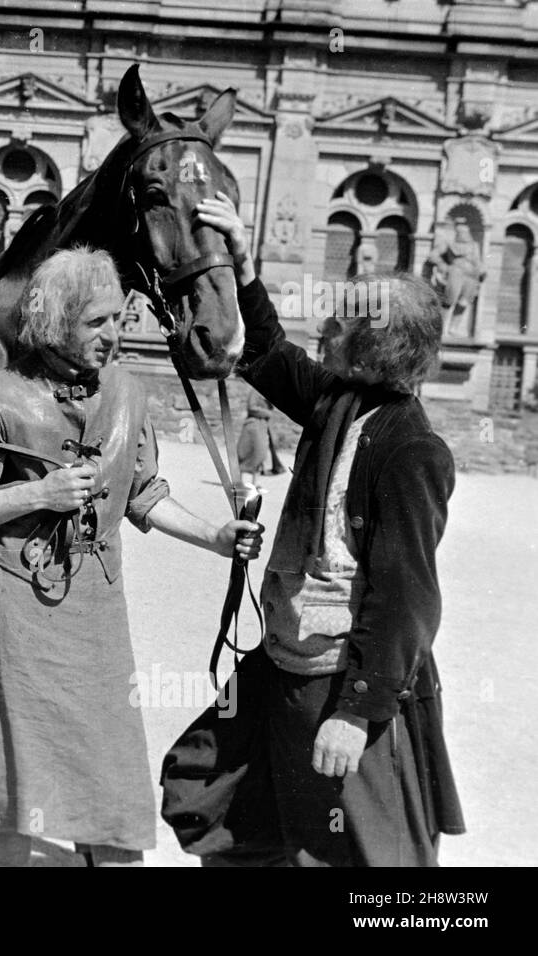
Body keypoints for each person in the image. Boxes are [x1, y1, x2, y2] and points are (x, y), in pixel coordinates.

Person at [0, 246, 262, 867]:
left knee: (108, 781)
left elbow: (144, 494)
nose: (113, 334)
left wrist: (215, 537)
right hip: (9, 615)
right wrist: (36, 493)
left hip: (95, 613)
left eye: (118, 317)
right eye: (96, 322)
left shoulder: (127, 395)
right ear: (56, 323)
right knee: (12, 783)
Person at [196, 192, 465, 866]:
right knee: (223, 807)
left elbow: (407, 597)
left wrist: (357, 710)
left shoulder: (411, 449)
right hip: (290, 670)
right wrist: (242, 263)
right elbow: (265, 351)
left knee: (374, 864)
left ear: (376, 341)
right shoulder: (341, 404)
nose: (324, 327)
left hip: (342, 686)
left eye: (340, 322)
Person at [237, 389, 286, 490]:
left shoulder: (269, 393)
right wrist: (266, 413)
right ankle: (239, 481)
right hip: (253, 425)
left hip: (264, 426)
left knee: (260, 453)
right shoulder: (255, 392)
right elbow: (251, 407)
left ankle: (255, 483)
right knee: (245, 452)